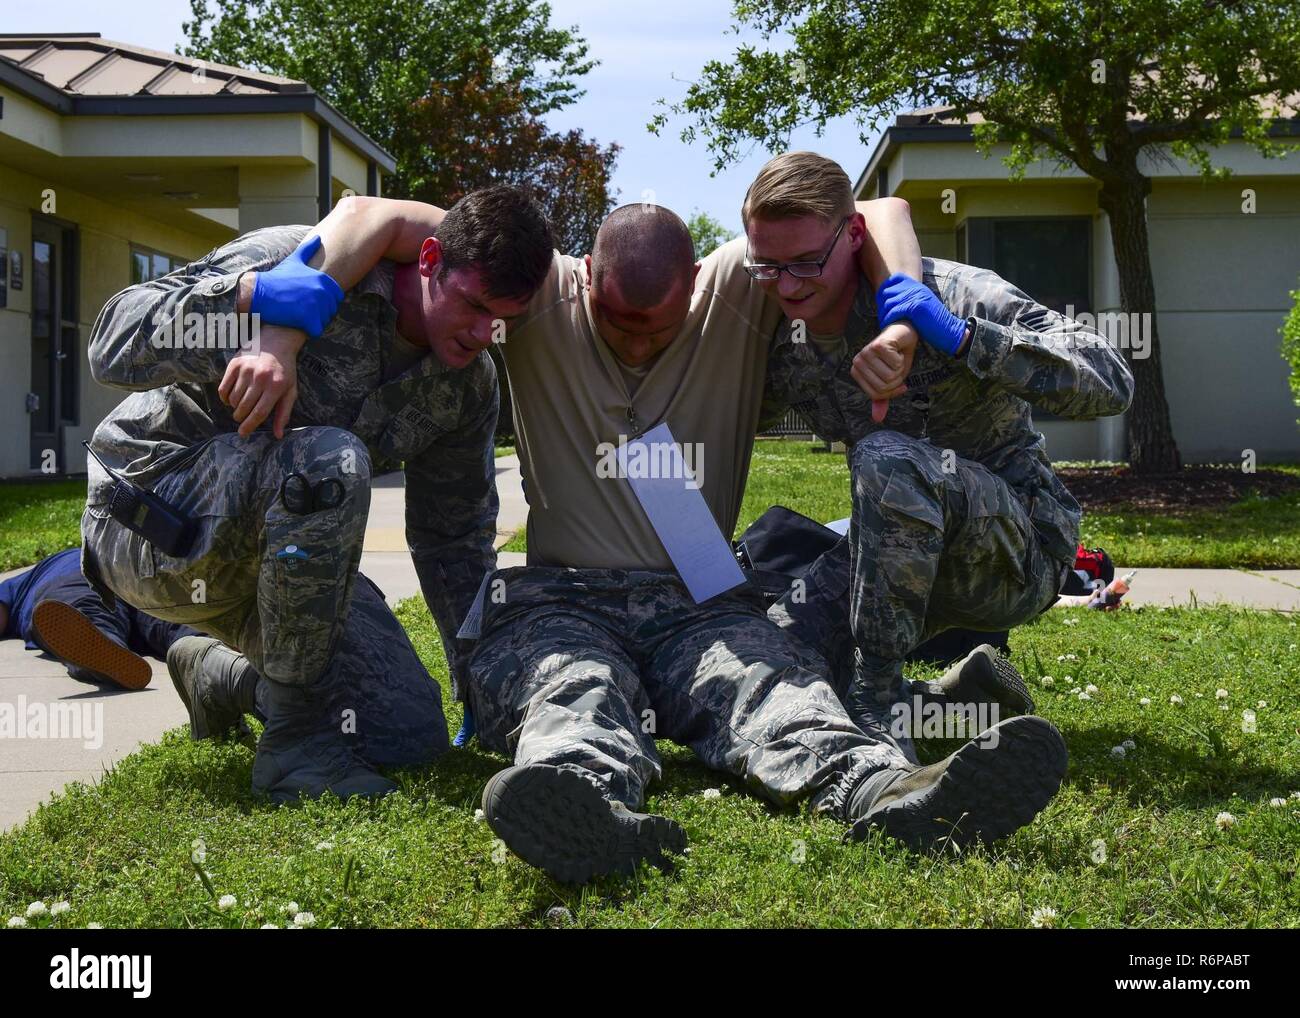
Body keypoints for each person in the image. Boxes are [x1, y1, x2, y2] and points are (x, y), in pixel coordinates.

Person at [319, 194, 1069, 881]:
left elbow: (877, 210)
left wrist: (904, 316)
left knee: (772, 688)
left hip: (700, 606)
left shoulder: (734, 287)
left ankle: (886, 791)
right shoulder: (540, 288)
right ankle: (583, 805)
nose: (637, 345)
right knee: (572, 688)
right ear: (587, 280)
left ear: (696, 288)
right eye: (618, 323)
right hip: (561, 601)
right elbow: (380, 218)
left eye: (659, 327)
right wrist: (291, 313)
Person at [81, 186, 554, 803]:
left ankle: (225, 679)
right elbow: (110, 341)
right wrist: (251, 298)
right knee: (331, 461)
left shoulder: (466, 386)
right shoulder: (302, 260)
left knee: (409, 735)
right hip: (152, 522)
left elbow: (454, 542)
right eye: (474, 305)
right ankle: (296, 750)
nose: (484, 331)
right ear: (430, 260)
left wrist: (479, 684)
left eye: (503, 320)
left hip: (281, 572)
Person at [753, 152, 1134, 750]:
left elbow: (1110, 380)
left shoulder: (951, 294)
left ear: (853, 236)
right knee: (772, 659)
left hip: (1016, 553)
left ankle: (878, 701)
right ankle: (956, 700)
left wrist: (963, 339)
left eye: (805, 263)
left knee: (886, 457)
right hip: (891, 556)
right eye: (768, 266)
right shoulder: (782, 336)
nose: (787, 285)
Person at [0, 548, 193, 689]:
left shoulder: (21, 584)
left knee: (86, 617)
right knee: (166, 622)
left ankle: (102, 653)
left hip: (78, 576)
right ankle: (204, 652)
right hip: (131, 575)